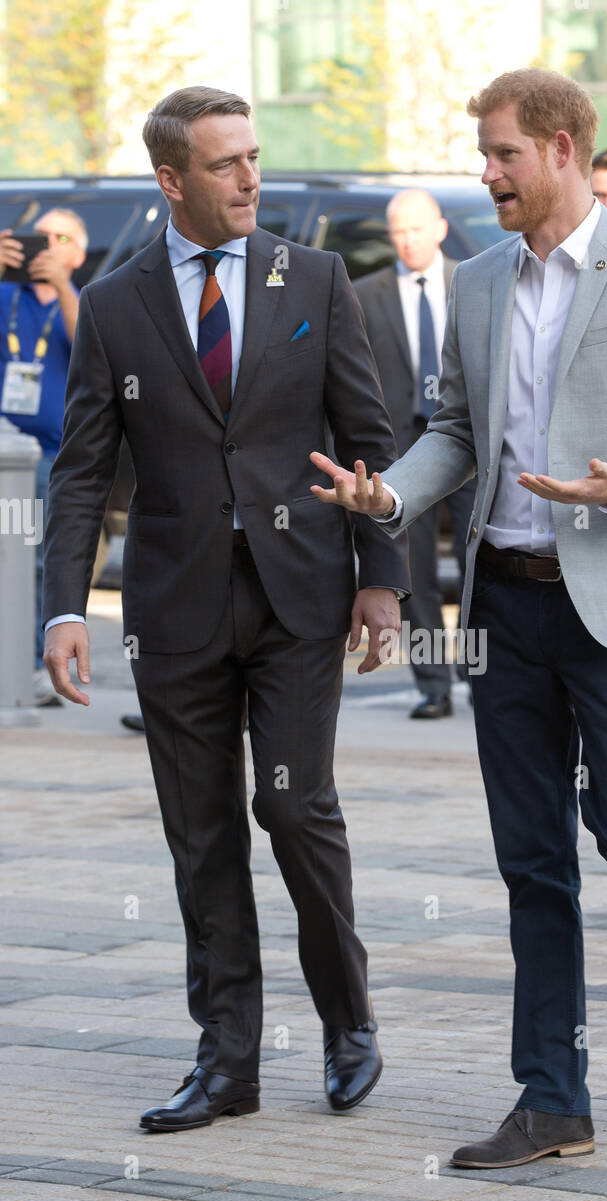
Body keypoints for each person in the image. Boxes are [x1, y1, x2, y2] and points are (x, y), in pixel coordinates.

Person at [311, 67, 607, 1168]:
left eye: (500, 153)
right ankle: (552, 1095)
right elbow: (455, 427)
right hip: (504, 601)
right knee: (532, 858)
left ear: (560, 150)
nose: (484, 172)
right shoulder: (479, 281)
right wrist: (390, 493)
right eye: (483, 154)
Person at [41, 86, 409, 1132]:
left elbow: (367, 439)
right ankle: (227, 1061)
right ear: (172, 180)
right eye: (224, 164)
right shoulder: (115, 305)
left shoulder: (318, 277)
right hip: (174, 609)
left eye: (253, 157)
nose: (250, 179)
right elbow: (79, 473)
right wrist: (62, 607)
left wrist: (380, 574)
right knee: (200, 836)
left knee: (292, 806)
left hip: (299, 603)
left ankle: (348, 1021)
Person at [354, 190, 475, 719]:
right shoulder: (365, 294)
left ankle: (484, 672)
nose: (408, 241)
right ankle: (435, 685)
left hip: (471, 446)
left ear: (440, 230)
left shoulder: (474, 283)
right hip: (403, 452)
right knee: (414, 572)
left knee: (481, 562)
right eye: (399, 232)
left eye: (418, 230)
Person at [0, 209, 86, 707]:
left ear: (77, 253)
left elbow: (88, 348)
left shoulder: (85, 300)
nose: (47, 245)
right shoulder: (8, 295)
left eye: (61, 238)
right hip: (4, 452)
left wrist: (63, 286)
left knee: (32, 560)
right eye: (41, 236)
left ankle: (32, 664)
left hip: (46, 457)